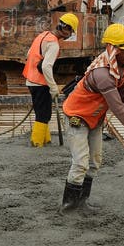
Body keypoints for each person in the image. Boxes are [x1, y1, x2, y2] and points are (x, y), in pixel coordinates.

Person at [61, 23, 124, 212]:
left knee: (94, 161)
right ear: (114, 50)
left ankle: (82, 202)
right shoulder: (102, 73)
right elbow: (117, 106)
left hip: (95, 118)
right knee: (80, 162)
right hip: (77, 116)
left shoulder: (122, 68)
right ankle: (68, 206)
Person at [23, 12, 79, 146]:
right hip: (40, 83)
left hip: (30, 81)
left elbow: (29, 53)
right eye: (71, 32)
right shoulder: (53, 44)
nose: (70, 35)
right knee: (43, 115)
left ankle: (45, 139)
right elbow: (47, 67)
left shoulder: (43, 35)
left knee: (42, 112)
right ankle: (37, 143)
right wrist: (53, 87)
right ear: (66, 29)